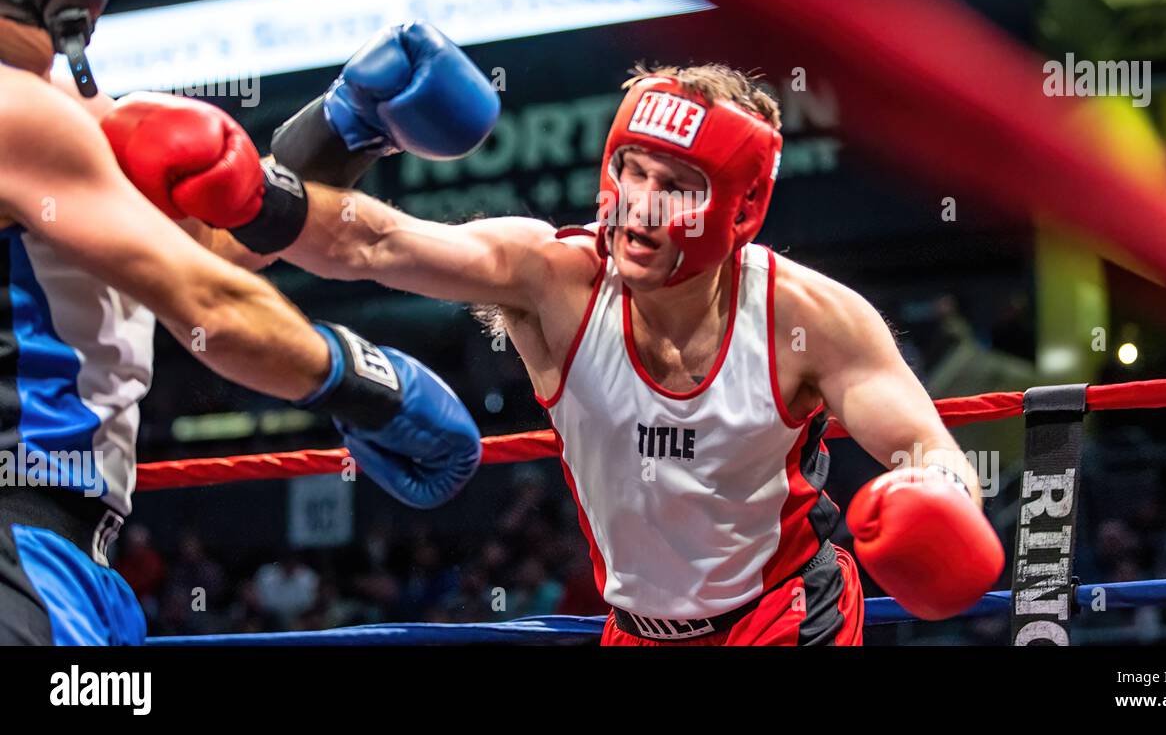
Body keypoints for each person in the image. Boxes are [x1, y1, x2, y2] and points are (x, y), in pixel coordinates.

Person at [111, 33, 1005, 644]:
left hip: (783, 611)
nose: (640, 206)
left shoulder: (809, 318)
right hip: (635, 626)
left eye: (677, 185)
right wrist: (249, 188)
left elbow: (925, 443)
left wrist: (940, 498)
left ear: (739, 209)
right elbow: (372, 242)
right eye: (630, 169)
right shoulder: (554, 280)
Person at [0, 0, 484, 645]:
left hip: (70, 554)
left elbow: (209, 242)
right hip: (19, 550)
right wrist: (364, 382)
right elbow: (207, 302)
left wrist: (343, 129)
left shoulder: (64, 116)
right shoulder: (18, 114)